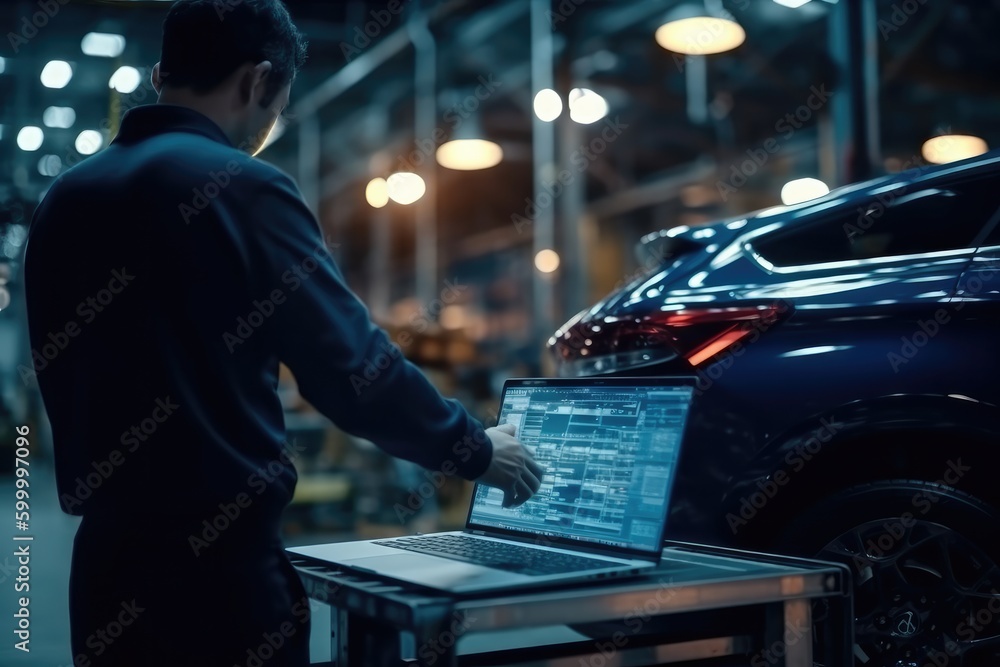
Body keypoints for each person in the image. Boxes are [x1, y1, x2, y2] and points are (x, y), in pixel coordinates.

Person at [23, 1, 543, 665]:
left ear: (159, 76)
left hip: (105, 573)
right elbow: (352, 367)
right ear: (257, 80)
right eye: (278, 107)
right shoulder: (244, 187)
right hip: (218, 585)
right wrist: (472, 447)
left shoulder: (64, 201)